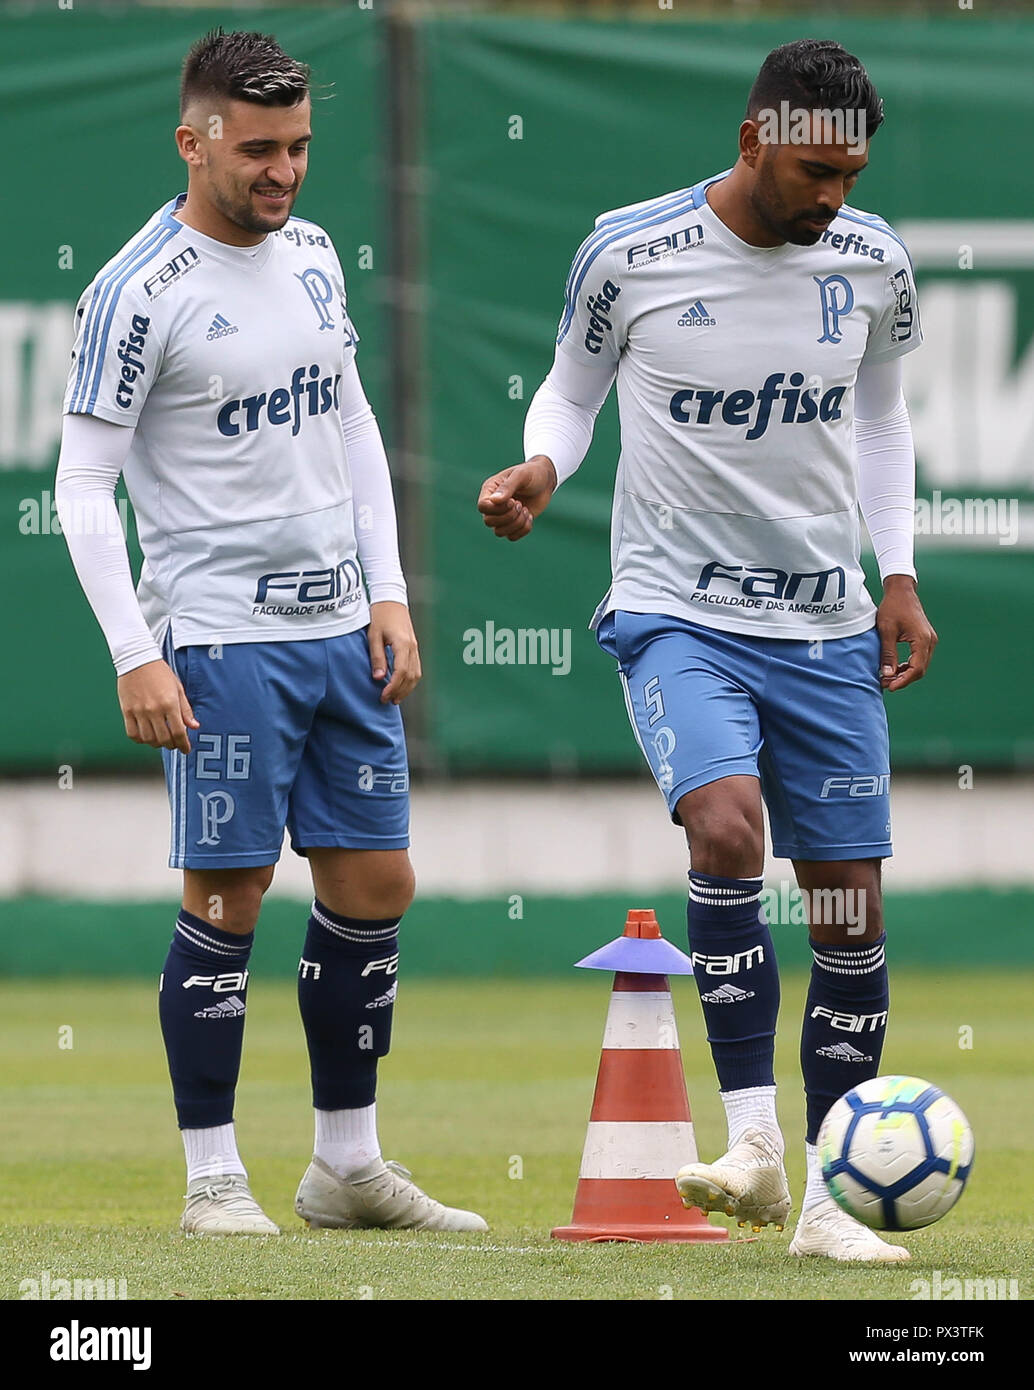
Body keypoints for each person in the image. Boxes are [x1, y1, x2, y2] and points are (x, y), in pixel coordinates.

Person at [478, 38, 934, 1262]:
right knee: (726, 828)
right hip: (676, 608)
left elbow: (882, 419)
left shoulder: (872, 261)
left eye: (848, 174)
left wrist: (895, 573)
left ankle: (833, 1206)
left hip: (826, 625)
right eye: (810, 172)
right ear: (749, 143)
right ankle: (753, 1147)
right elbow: (570, 396)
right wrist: (540, 468)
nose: (830, 196)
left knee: (844, 905)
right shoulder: (628, 251)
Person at [56, 27, 485, 1237]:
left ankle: (344, 1164)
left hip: (342, 630)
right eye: (255, 149)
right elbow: (82, 483)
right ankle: (211, 1180)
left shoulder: (310, 257)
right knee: (231, 892)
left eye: (297, 146)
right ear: (191, 141)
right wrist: (134, 651)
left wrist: (388, 589)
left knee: (374, 880)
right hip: (220, 638)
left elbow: (350, 425)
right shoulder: (138, 291)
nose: (282, 171)